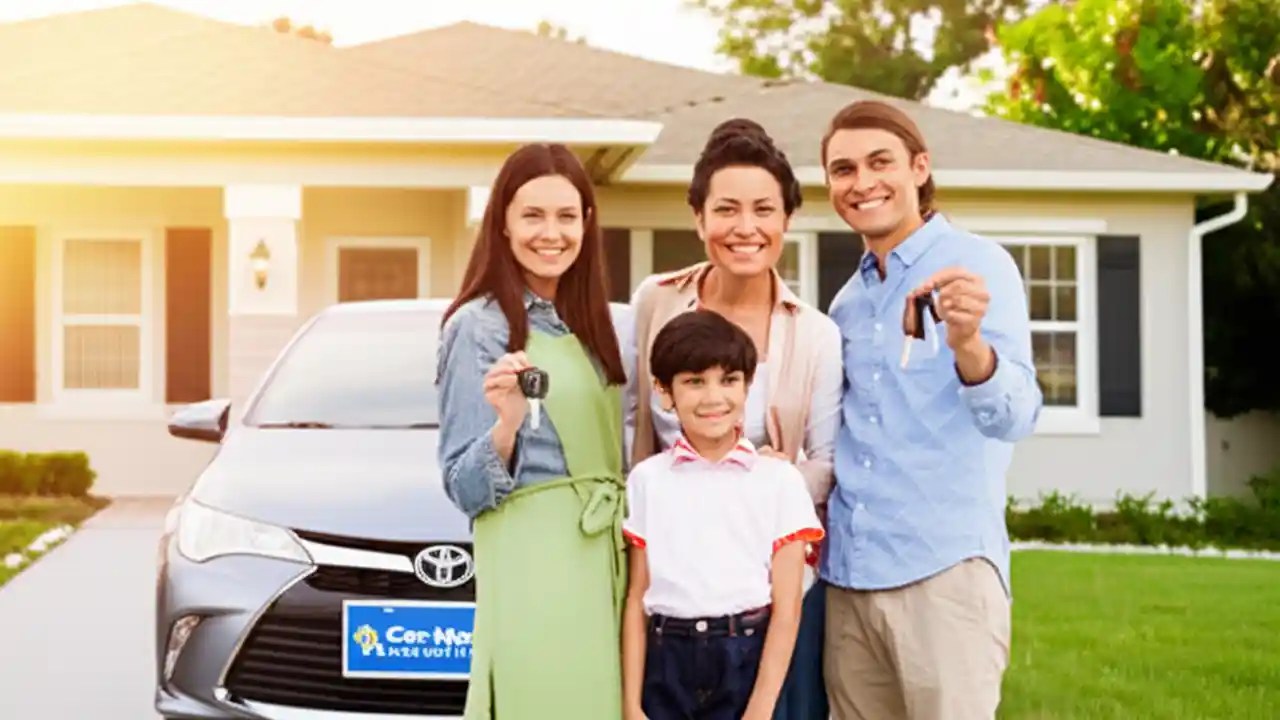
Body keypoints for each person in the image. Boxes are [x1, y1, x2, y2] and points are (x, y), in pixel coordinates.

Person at [817, 100, 1044, 719]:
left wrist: (970, 346)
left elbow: (1017, 414)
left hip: (943, 574)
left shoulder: (979, 265)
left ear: (919, 167)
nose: (862, 182)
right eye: (843, 169)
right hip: (850, 582)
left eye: (879, 162)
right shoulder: (846, 304)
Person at [628, 118, 843, 720]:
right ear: (698, 218)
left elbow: (825, 460)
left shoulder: (816, 334)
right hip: (672, 590)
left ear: (786, 221)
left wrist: (765, 479)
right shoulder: (656, 301)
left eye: (763, 210)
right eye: (726, 209)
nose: (745, 228)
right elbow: (630, 423)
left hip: (767, 593)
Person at [436, 143, 631, 720]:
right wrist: (508, 426)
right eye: (533, 215)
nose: (552, 233)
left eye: (567, 216)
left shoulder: (598, 325)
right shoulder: (478, 327)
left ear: (587, 223)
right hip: (532, 562)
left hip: (605, 558)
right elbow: (464, 487)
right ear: (503, 222)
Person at [621, 309, 825, 720]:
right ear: (665, 391)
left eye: (728, 380)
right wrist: (631, 704)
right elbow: (636, 598)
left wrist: (761, 708)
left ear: (748, 387)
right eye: (694, 382)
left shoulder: (779, 480)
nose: (714, 397)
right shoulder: (648, 479)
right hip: (667, 659)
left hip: (744, 656)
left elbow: (787, 608)